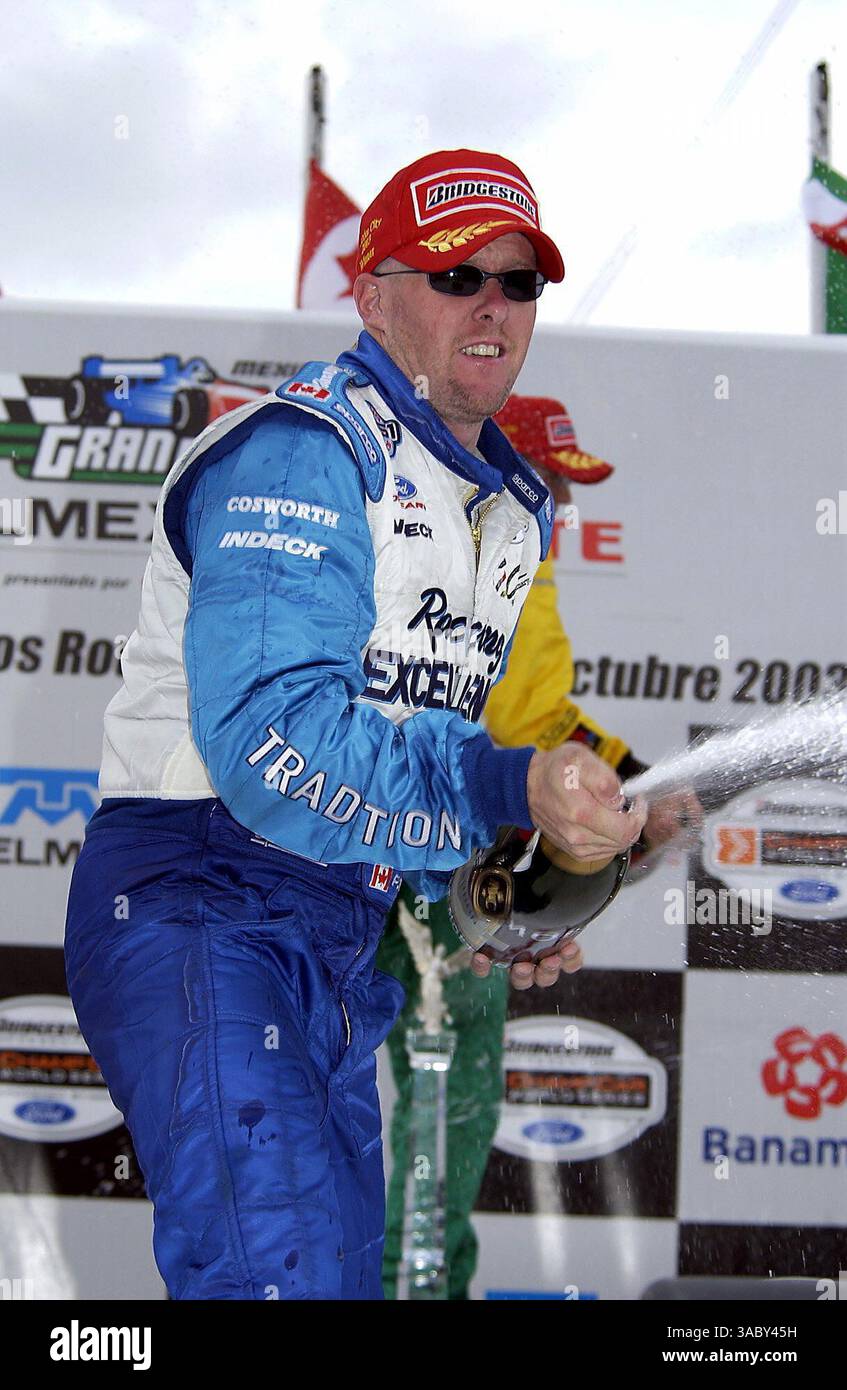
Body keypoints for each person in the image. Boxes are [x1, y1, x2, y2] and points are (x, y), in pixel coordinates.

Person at [63, 149, 646, 1301]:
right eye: (453, 273)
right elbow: (274, 750)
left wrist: (502, 898)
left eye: (517, 282)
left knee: (335, 1286)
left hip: (341, 933)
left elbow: (403, 767)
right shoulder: (304, 450)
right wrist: (501, 791)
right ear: (373, 294)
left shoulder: (509, 515)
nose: (491, 303)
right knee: (268, 1281)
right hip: (202, 904)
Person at [379, 395, 695, 1300]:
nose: (559, 497)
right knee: (446, 1093)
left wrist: (627, 783)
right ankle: (416, 1291)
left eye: (563, 483)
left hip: (408, 848)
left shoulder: (508, 553)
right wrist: (621, 791)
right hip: (420, 863)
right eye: (548, 479)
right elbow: (520, 723)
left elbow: (538, 719)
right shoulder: (480, 552)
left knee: (384, 1091)